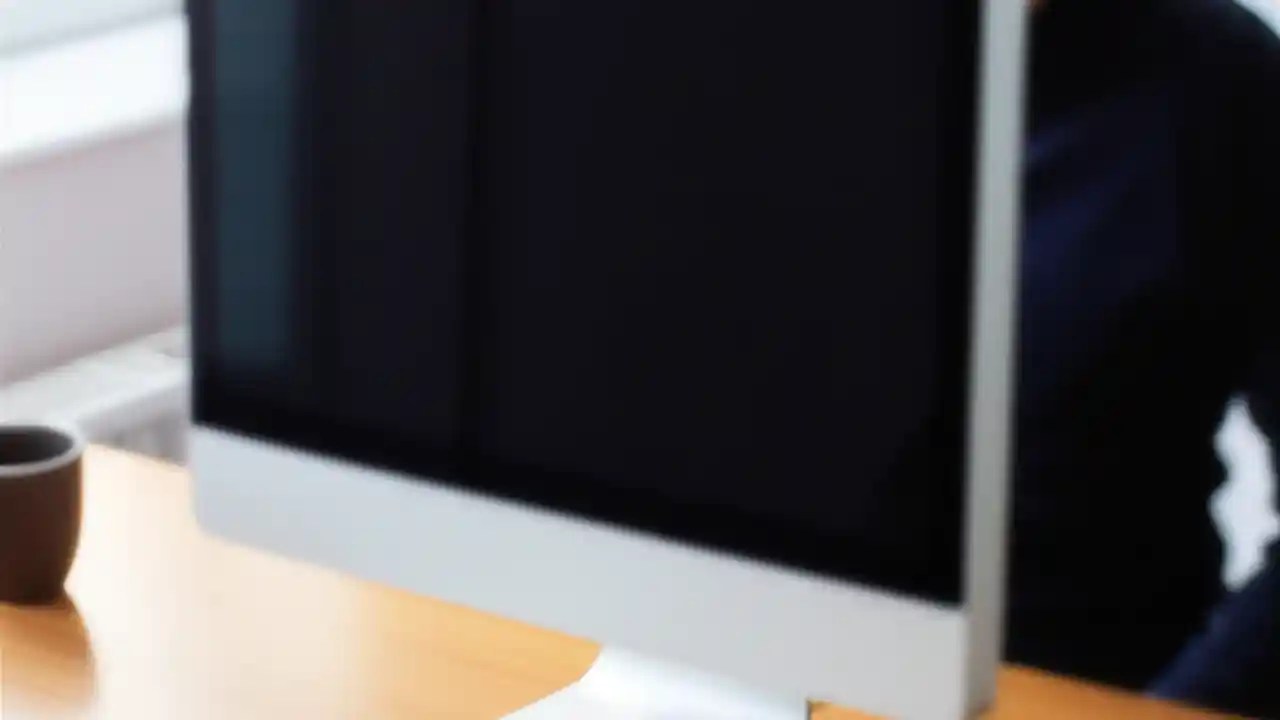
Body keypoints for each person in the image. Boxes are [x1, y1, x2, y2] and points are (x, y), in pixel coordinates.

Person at [1014, 1, 1280, 715]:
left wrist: (1177, 708)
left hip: (1108, 683)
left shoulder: (1225, 82)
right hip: (790, 669)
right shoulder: (823, 68)